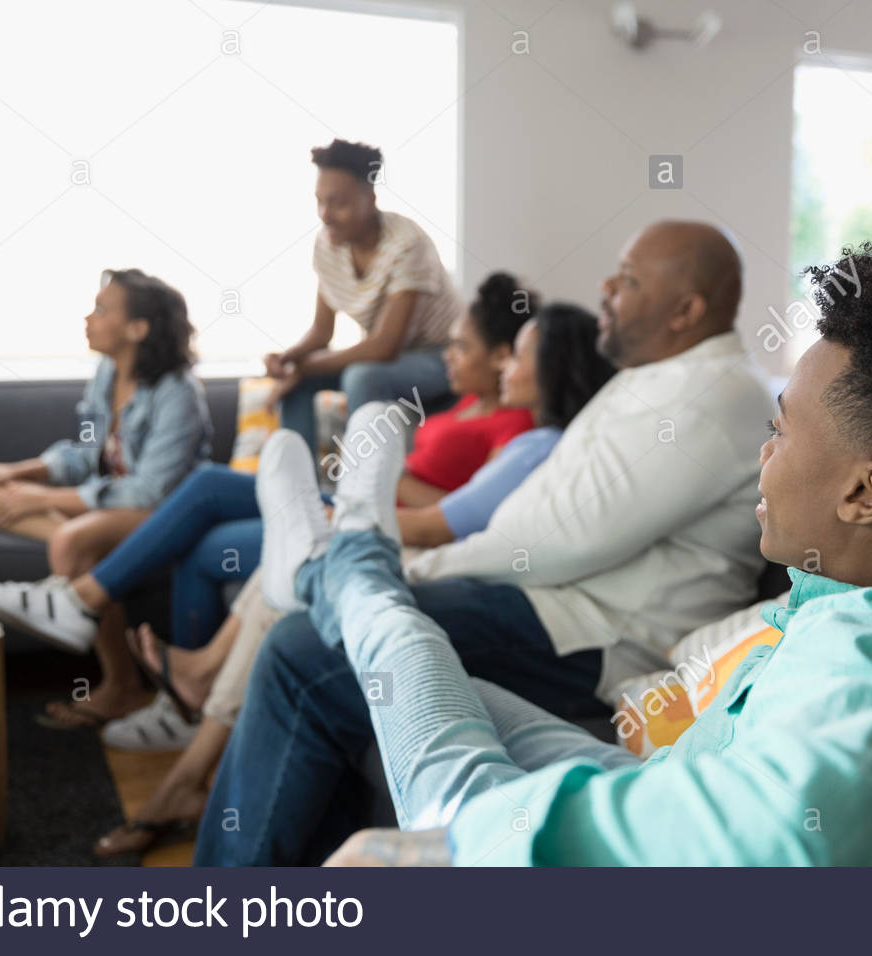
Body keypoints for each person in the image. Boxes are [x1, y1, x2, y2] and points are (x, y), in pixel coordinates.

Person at [296, 235, 872, 867]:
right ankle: (342, 560)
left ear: (863, 494)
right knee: (442, 671)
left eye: (779, 433)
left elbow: (823, 825)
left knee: (395, 641)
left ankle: (346, 555)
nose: (763, 456)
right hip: (661, 774)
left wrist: (438, 854)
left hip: (508, 835)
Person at [194, 219, 776, 865]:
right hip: (549, 601)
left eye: (629, 278)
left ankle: (328, 566)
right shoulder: (655, 377)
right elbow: (541, 515)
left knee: (306, 648)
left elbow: (557, 540)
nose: (606, 287)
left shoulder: (710, 399)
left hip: (594, 634)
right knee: (318, 643)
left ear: (687, 310)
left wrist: (424, 567)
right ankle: (335, 565)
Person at [92, 303, 616, 857]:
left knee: (266, 566)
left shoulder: (530, 440)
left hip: (407, 527)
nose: (477, 360)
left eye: (516, 354)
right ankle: (322, 559)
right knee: (214, 503)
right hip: (380, 509)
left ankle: (319, 563)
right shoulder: (484, 415)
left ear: (554, 367)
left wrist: (370, 499)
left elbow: (454, 521)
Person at [0, 273, 537, 727]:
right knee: (206, 537)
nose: (446, 357)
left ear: (503, 357)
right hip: (351, 498)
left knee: (207, 488)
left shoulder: (515, 427)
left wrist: (377, 477)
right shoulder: (458, 410)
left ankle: (89, 606)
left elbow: (467, 512)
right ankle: (179, 695)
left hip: (370, 516)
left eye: (461, 347)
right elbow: (87, 449)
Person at [0, 269, 211, 726]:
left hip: (160, 513)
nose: (88, 317)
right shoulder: (106, 375)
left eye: (101, 309)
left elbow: (150, 490)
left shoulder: (179, 392)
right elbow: (84, 451)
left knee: (74, 539)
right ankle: (74, 547)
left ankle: (120, 686)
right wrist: (18, 472)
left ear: (139, 328)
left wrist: (41, 501)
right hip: (109, 508)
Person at [266, 138, 462, 453]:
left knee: (362, 377)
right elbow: (321, 331)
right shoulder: (328, 243)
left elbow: (384, 347)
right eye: (320, 202)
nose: (325, 214)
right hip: (392, 357)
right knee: (298, 385)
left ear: (369, 200)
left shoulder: (408, 244)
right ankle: (300, 493)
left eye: (337, 203)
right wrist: (288, 359)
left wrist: (304, 366)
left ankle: (360, 491)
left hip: (441, 356)